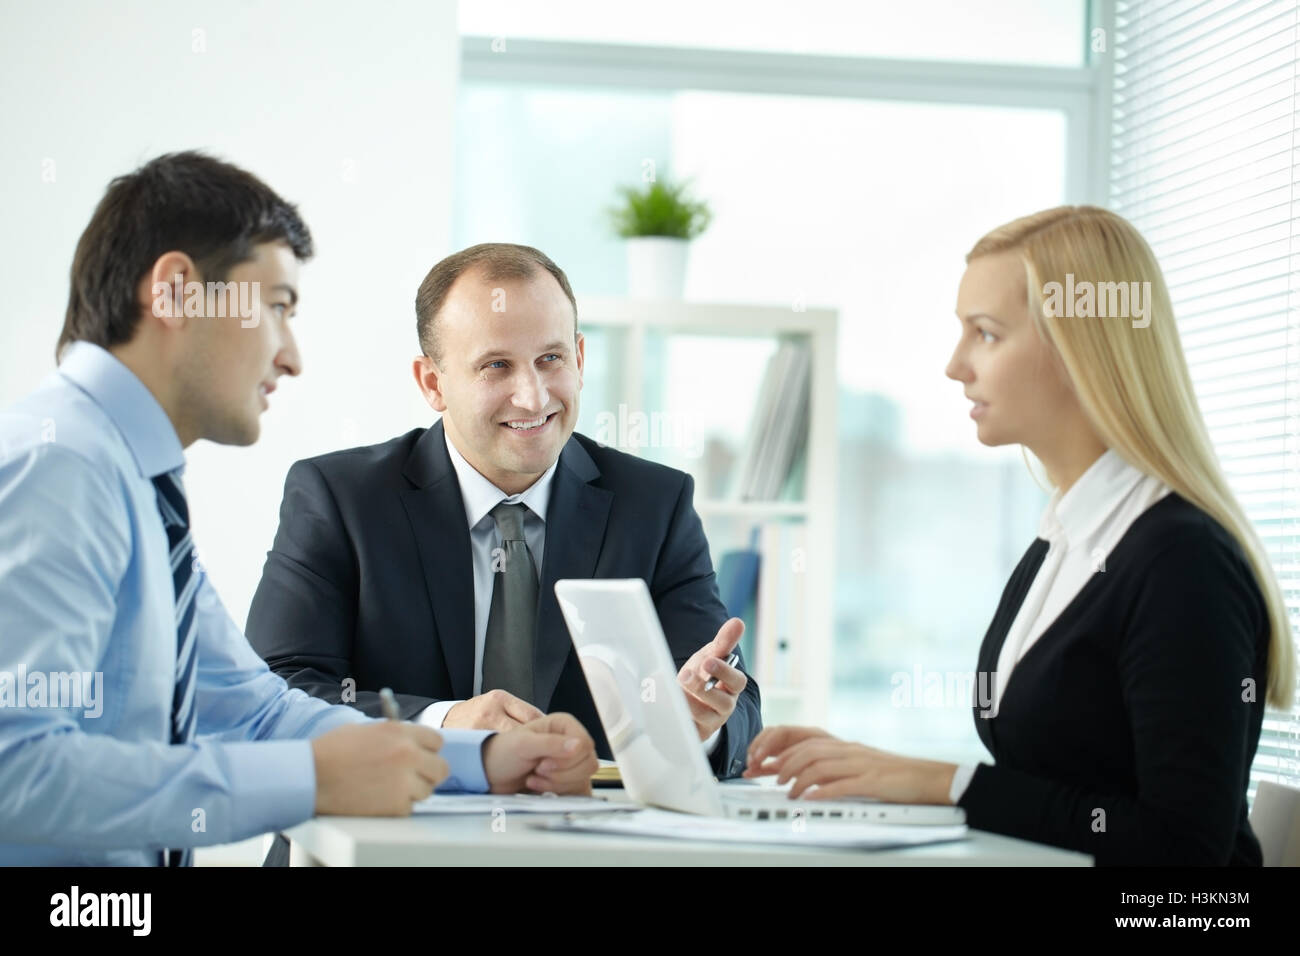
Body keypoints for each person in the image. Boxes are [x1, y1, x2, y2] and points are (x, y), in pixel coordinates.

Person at [0, 153, 598, 867]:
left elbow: (255, 710)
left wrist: (479, 758)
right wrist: (314, 780)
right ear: (178, 292)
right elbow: (15, 767)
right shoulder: (60, 467)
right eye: (278, 307)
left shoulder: (127, 476)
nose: (291, 356)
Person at [744, 205, 1295, 866]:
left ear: (1078, 347)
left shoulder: (1182, 560)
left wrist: (943, 784)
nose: (955, 365)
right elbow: (1060, 793)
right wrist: (898, 776)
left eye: (986, 333)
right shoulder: (1066, 536)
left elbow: (1185, 852)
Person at [246, 242, 761, 779]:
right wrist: (442, 723)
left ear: (580, 360)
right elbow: (273, 691)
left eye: (551, 359)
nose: (533, 398)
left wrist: (700, 726)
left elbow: (740, 715)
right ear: (432, 383)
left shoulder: (655, 506)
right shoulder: (340, 498)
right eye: (496, 366)